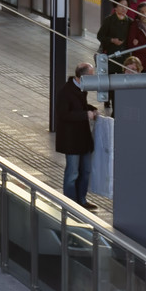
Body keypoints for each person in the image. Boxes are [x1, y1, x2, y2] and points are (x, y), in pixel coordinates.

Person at [55, 63, 99, 208]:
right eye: (91, 76)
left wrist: (91, 109)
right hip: (72, 140)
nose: (93, 79)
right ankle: (70, 203)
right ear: (83, 76)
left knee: (85, 171)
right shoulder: (66, 92)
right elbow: (64, 114)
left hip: (83, 139)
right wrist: (85, 114)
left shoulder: (81, 89)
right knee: (72, 172)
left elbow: (80, 107)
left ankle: (82, 200)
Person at [97, 0, 134, 75]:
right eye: (121, 6)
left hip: (125, 55)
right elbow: (100, 36)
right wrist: (112, 40)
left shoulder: (130, 22)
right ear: (115, 8)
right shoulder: (109, 20)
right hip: (110, 54)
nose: (124, 9)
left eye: (126, 6)